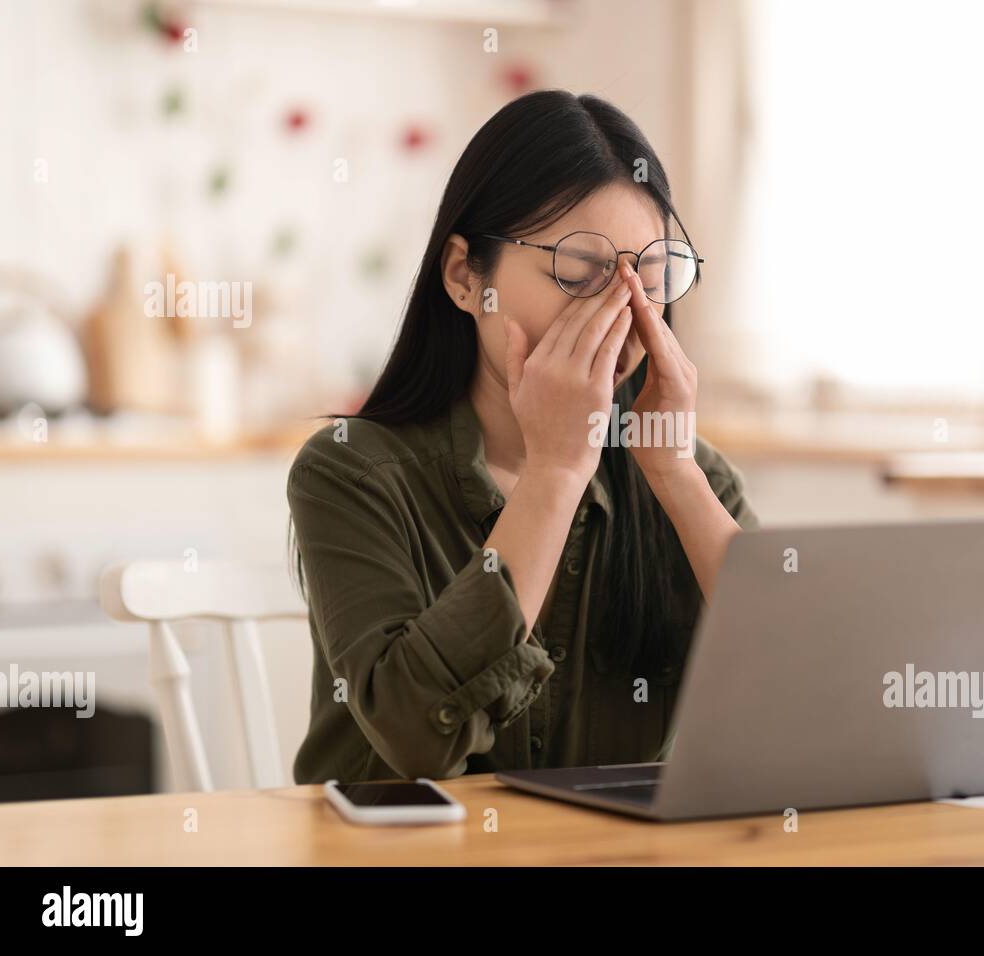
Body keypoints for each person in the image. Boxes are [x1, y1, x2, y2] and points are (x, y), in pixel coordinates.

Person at [288, 90, 757, 784]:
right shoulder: (353, 472)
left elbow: (814, 697)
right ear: (463, 276)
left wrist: (679, 478)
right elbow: (418, 740)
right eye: (579, 270)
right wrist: (556, 474)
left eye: (651, 275)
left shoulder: (689, 474)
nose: (624, 309)